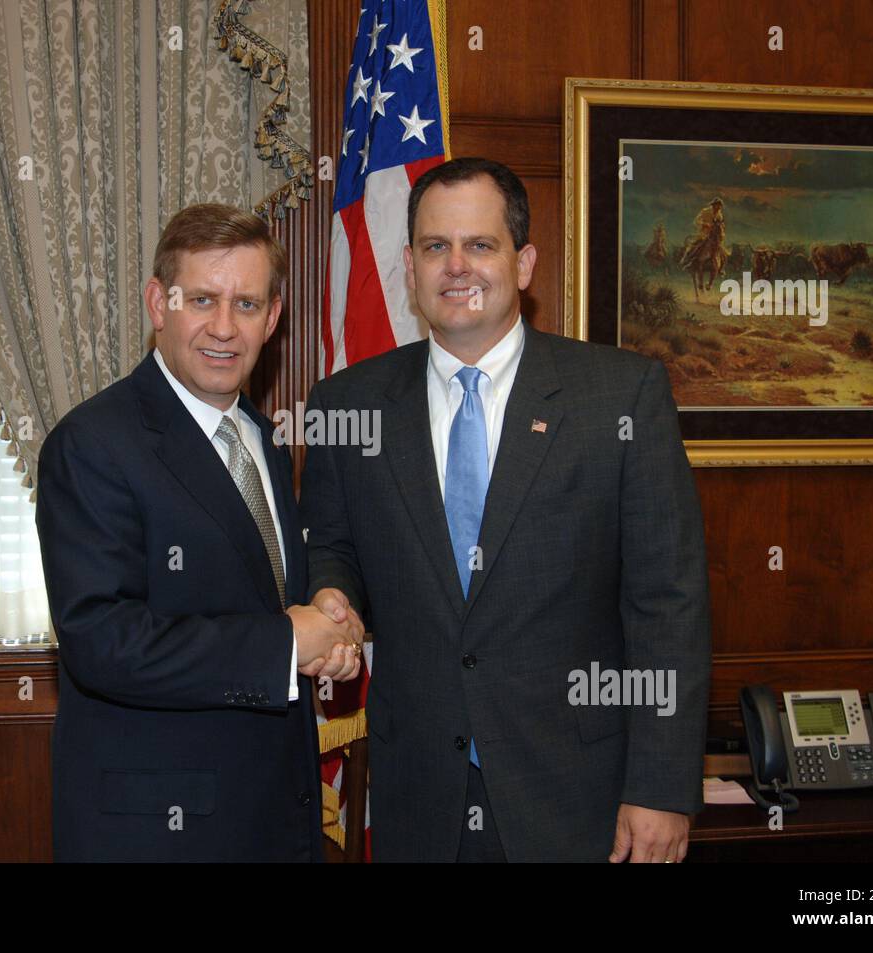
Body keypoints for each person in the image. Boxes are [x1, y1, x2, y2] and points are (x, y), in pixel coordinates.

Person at [301, 158, 711, 862]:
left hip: (580, 799)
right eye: (435, 247)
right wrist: (333, 593)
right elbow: (330, 543)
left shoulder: (619, 396)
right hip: (419, 799)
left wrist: (662, 786)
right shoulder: (347, 404)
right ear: (408, 265)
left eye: (479, 245)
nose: (456, 266)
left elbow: (667, 604)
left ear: (522, 263)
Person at [36, 203, 362, 862]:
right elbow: (101, 640)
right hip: (158, 833)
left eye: (246, 304)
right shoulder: (94, 443)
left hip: (272, 815)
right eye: (202, 299)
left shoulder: (260, 437)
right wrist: (282, 642)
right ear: (160, 303)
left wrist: (324, 625)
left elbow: (261, 599)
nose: (223, 327)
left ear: (273, 318)